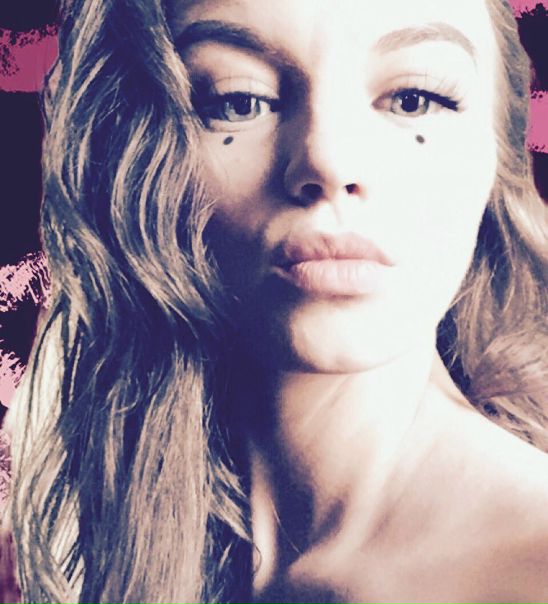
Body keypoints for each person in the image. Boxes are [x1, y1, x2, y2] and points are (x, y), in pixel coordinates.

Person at [5, 0, 548, 601]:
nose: (327, 160)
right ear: (128, 162)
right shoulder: (84, 543)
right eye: (238, 101)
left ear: (498, 156)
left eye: (413, 100)